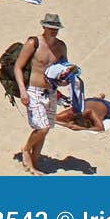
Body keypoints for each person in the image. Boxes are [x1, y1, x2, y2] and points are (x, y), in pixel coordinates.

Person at [14, 14, 68, 174]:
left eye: (55, 28)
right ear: (43, 27)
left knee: (46, 128)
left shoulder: (61, 47)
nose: (53, 31)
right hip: (33, 91)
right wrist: (23, 91)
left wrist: (65, 81)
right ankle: (26, 150)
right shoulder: (33, 43)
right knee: (42, 128)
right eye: (50, 27)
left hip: (51, 92)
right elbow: (18, 67)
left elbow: (63, 71)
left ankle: (35, 163)